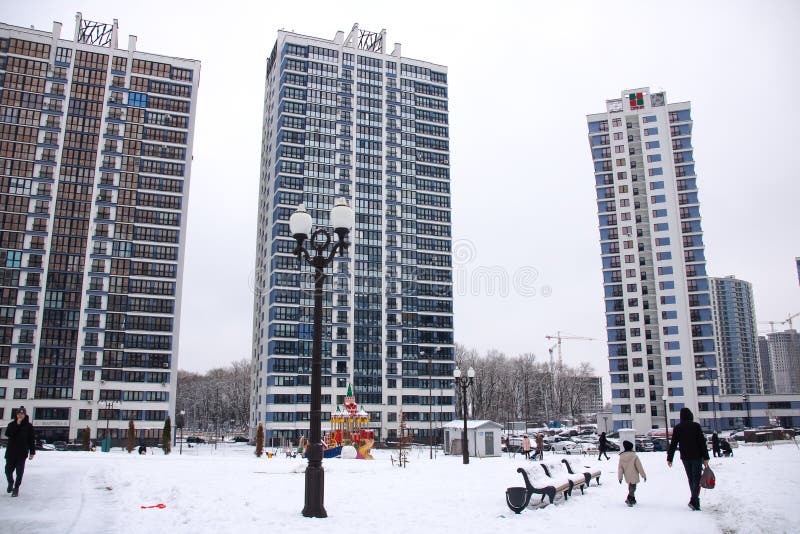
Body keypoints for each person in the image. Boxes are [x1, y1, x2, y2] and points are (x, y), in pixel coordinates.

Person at [667, 407, 710, 511]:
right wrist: (706, 457)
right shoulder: (696, 426)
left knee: (691, 478)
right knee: (697, 478)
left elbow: (673, 444)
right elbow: (702, 442)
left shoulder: (678, 427)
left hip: (685, 457)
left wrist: (670, 458)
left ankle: (694, 500)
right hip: (697, 456)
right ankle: (694, 500)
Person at [4, 406, 36, 497]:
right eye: (18, 414)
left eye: (22, 414)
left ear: (25, 415)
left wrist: (32, 452)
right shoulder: (12, 424)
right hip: (11, 452)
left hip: (22, 453)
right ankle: (10, 482)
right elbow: (8, 434)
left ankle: (16, 488)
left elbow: (31, 439)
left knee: (19, 472)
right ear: (16, 415)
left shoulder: (29, 426)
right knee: (8, 471)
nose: (20, 415)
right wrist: (17, 424)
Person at [618, 440, 647, 506]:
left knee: (631, 487)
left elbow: (620, 468)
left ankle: (632, 498)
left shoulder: (622, 457)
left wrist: (620, 477)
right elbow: (639, 467)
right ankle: (629, 499)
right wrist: (643, 475)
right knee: (633, 488)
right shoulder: (634, 456)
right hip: (634, 475)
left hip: (627, 475)